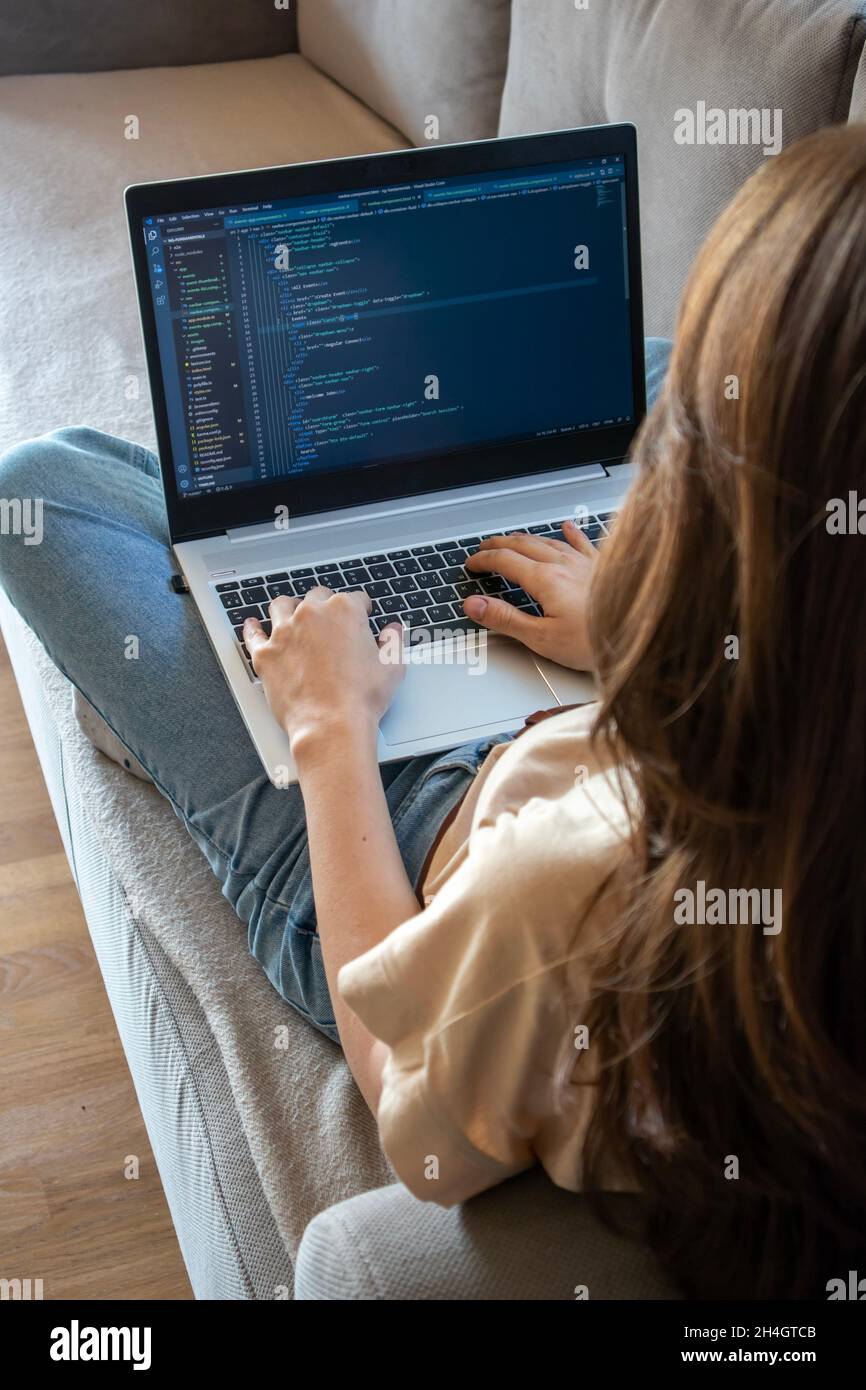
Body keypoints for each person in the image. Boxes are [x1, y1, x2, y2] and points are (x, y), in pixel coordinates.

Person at [2, 124, 864, 1300]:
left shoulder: (564, 901)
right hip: (608, 708)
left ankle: (267, 579)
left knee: (40, 491)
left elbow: (401, 1093)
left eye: (692, 467)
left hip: (405, 840)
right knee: (636, 377)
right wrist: (635, 632)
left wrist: (328, 729)